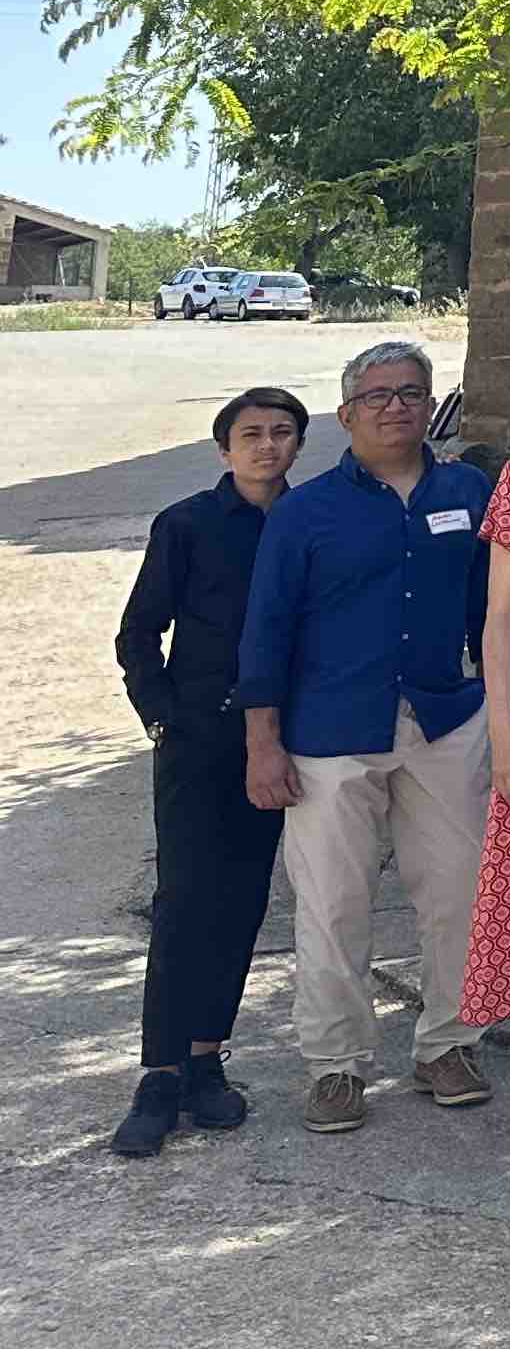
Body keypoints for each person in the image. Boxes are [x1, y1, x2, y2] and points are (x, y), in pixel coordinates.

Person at [239, 336, 493, 1135]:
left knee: (458, 891)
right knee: (332, 903)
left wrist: (503, 710)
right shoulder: (305, 510)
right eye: (378, 395)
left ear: (431, 405)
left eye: (411, 392)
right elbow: (266, 629)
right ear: (347, 413)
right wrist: (262, 742)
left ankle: (448, 1045)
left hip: (445, 720)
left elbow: (492, 611)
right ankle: (336, 1065)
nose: (396, 406)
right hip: (331, 730)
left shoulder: (468, 491)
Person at [108, 382, 306, 1160]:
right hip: (198, 740)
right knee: (185, 901)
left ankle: (205, 1059)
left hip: (282, 740)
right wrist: (163, 719)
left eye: (282, 432)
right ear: (225, 448)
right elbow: (137, 634)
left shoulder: (307, 521)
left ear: (298, 444)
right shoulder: (186, 524)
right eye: (251, 433)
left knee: (242, 900)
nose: (267, 446)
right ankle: (159, 1074)